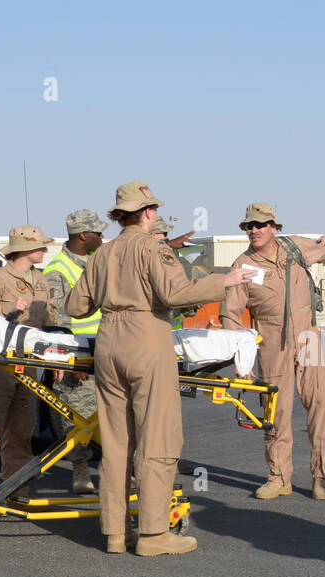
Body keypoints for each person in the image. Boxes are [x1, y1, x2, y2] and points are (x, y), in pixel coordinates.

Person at [65, 181, 248, 555]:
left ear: (119, 215)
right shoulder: (154, 248)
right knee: (157, 437)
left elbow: (75, 306)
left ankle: (115, 533)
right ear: (148, 212)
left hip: (108, 342)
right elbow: (174, 295)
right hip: (146, 337)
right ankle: (152, 534)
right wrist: (224, 281)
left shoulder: (103, 252)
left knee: (116, 443)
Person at [221, 203, 325, 500]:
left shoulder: (295, 248)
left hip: (307, 338)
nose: (254, 230)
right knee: (276, 412)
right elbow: (230, 313)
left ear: (274, 227)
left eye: (260, 224)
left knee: (319, 406)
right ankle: (279, 478)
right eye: (249, 226)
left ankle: (321, 476)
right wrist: (241, 357)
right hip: (270, 343)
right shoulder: (244, 266)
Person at [0, 226, 57, 503]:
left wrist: (56, 358)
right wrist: (9, 310)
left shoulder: (41, 281)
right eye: (41, 247)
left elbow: (49, 323)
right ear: (25, 249)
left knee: (20, 434)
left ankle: (17, 489)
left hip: (28, 365)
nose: (45, 251)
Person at [43, 209, 106, 495]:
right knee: (76, 415)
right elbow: (58, 321)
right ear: (84, 235)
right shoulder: (57, 270)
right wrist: (71, 360)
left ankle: (120, 472)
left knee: (111, 416)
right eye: (98, 233)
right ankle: (80, 472)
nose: (103, 237)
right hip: (78, 355)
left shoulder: (97, 262)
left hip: (105, 350)